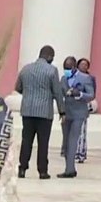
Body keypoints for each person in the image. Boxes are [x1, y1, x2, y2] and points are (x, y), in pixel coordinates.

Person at [13, 45, 66, 180]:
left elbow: (18, 87)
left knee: (26, 141)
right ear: (49, 56)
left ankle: (22, 168)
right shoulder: (52, 70)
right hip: (44, 112)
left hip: (27, 110)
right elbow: (57, 92)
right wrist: (62, 111)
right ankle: (42, 171)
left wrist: (28, 94)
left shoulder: (26, 69)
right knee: (43, 143)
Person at [60, 58, 95, 179]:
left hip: (79, 113)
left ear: (74, 67)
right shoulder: (63, 79)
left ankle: (69, 170)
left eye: (68, 68)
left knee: (72, 140)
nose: (66, 71)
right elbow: (60, 94)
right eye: (65, 68)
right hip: (67, 113)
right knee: (66, 141)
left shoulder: (85, 78)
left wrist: (79, 94)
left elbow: (91, 95)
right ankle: (69, 167)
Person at [75, 58, 95, 163]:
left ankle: (81, 153)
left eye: (86, 65)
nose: (84, 66)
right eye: (82, 64)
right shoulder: (73, 77)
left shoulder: (90, 78)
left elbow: (92, 94)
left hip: (83, 106)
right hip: (73, 106)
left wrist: (81, 95)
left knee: (82, 130)